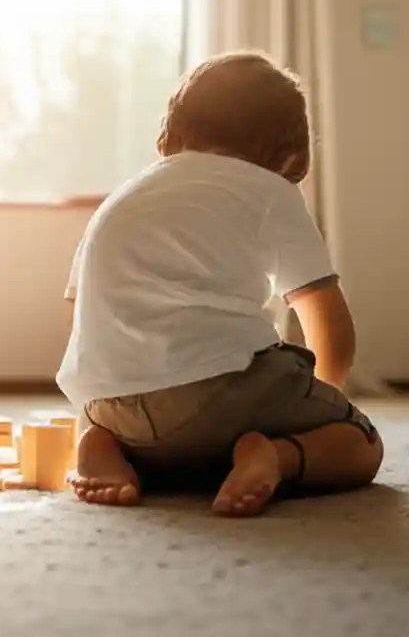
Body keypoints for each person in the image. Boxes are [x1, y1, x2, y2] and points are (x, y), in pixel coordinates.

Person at [56, 51, 383, 517]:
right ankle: (275, 455)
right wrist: (319, 407)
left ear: (171, 134)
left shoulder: (124, 195)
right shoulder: (270, 192)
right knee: (360, 446)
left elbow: (80, 314)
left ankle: (101, 443)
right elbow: (328, 324)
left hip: (109, 404)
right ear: (289, 155)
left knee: (168, 435)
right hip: (220, 394)